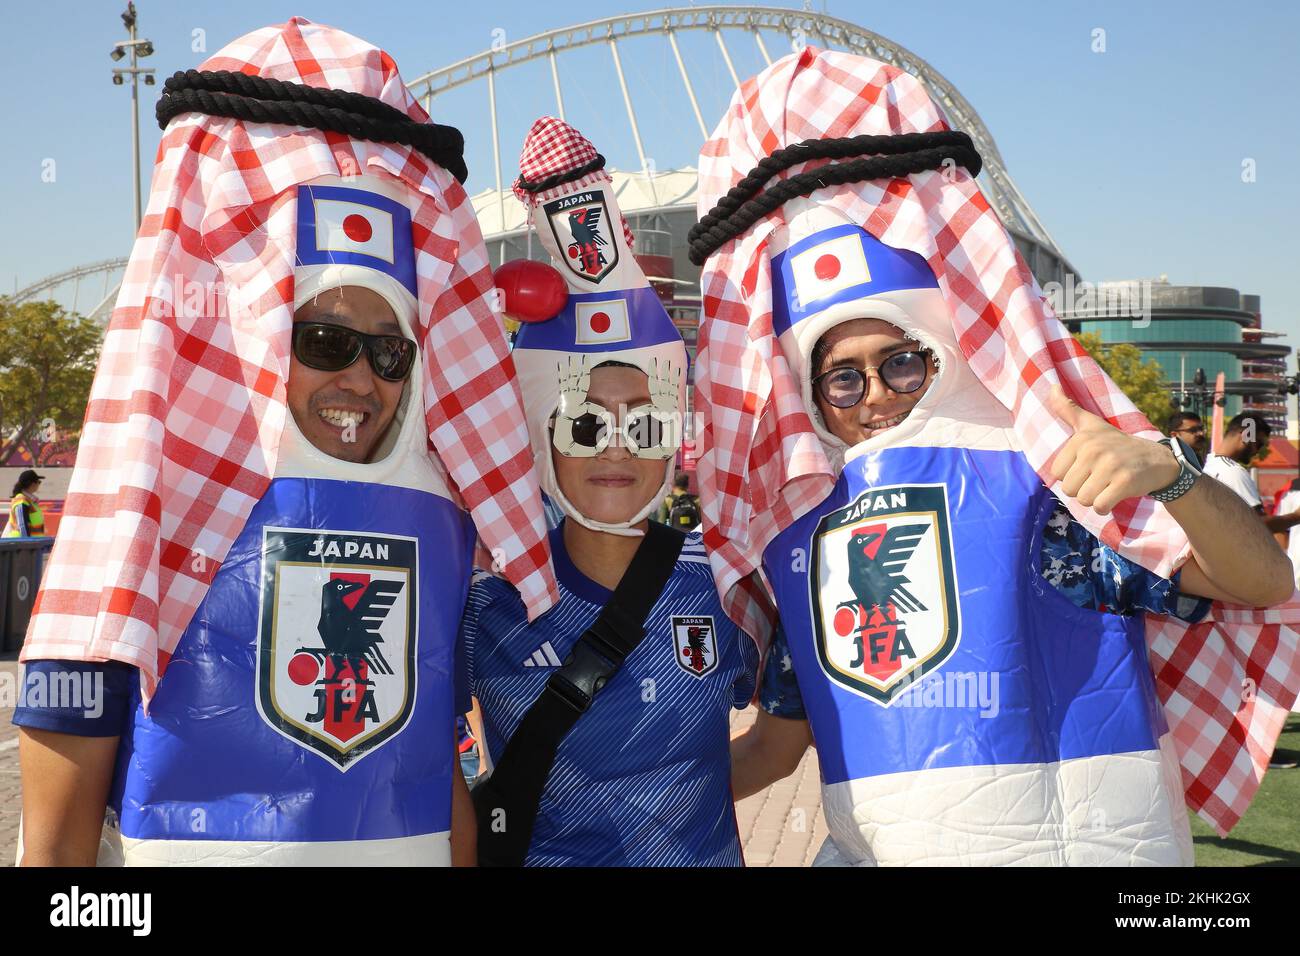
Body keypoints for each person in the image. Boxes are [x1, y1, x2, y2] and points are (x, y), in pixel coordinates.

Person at [691, 48, 1299, 865]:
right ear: (811, 394)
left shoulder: (1046, 500)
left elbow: (1260, 584)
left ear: (947, 350)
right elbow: (774, 747)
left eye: (902, 361)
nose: (875, 394)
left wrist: (1172, 473)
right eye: (843, 378)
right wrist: (605, 798)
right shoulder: (799, 541)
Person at [13, 19, 557, 867]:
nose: (362, 380)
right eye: (325, 340)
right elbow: (53, 860)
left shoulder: (443, 525)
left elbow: (436, 768)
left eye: (389, 350)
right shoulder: (137, 529)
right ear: (254, 331)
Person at [461, 118, 759, 866]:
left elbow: (787, 741)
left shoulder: (724, 581)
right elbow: (434, 776)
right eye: (587, 428)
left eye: (646, 426)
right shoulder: (484, 603)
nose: (618, 450)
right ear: (543, 441)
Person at [3, 470, 45, 538]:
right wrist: (26, 544)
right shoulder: (21, 500)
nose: (39, 485)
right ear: (32, 484)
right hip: (20, 545)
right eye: (39, 482)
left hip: (32, 544)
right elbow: (22, 525)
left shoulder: (29, 500)